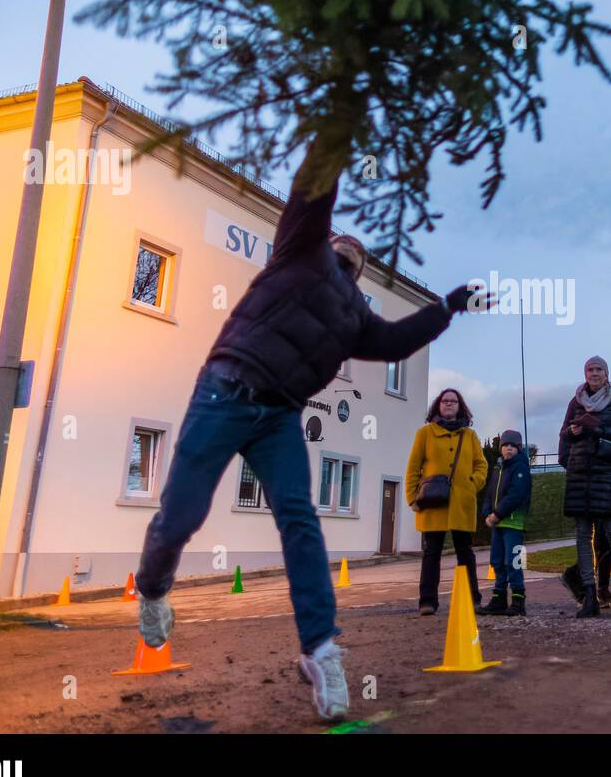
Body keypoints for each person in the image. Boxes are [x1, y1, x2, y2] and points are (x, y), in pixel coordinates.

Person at [133, 177, 486, 722]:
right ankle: (154, 590)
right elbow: (314, 184)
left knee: (301, 520)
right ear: (330, 242)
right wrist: (339, 111)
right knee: (182, 514)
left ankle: (319, 648)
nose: (352, 248)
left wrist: (450, 304)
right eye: (345, 241)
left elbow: (397, 341)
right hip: (223, 391)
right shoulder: (301, 246)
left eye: (359, 251)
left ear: (361, 273)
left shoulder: (355, 320)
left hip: (279, 416)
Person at [559, 356, 611, 619]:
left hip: (607, 472)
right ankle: (589, 596)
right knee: (583, 535)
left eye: (599, 369)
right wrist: (573, 432)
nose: (594, 373)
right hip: (581, 473)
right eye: (590, 369)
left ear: (607, 373)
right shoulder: (576, 400)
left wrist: (600, 428)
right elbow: (563, 434)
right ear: (585, 373)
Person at [407, 389, 489, 615]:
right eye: (445, 401)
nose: (449, 404)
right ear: (438, 405)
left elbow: (481, 465)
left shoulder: (470, 436)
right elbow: (413, 467)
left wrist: (473, 483)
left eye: (453, 401)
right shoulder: (424, 433)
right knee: (431, 552)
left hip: (462, 502)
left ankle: (472, 598)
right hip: (433, 503)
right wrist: (412, 497)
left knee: (465, 552)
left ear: (460, 406)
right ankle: (427, 601)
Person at [481, 430, 531, 617]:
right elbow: (489, 493)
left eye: (513, 445)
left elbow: (516, 495)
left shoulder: (521, 468)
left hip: (513, 523)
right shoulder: (497, 469)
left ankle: (519, 599)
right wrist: (487, 513)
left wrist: (497, 514)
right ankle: (499, 597)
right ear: (500, 448)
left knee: (515, 561)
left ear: (519, 449)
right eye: (506, 445)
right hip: (498, 523)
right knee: (497, 561)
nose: (509, 448)